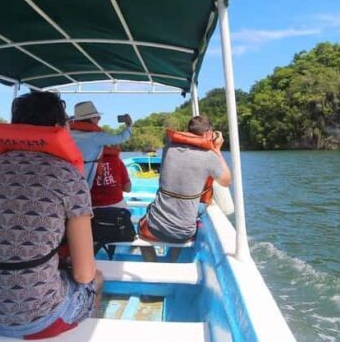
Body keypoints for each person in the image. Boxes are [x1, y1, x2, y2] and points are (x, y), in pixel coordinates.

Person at [0, 91, 106, 342]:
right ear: (61, 127)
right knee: (96, 281)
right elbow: (84, 274)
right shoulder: (68, 176)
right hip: (35, 320)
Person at [139, 116, 231, 262]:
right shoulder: (210, 157)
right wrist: (217, 149)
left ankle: (153, 263)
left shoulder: (168, 148)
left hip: (154, 229)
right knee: (192, 216)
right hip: (184, 233)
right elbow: (226, 181)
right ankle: (171, 262)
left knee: (141, 233)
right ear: (208, 134)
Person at [68, 101, 132, 186]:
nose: (99, 120)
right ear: (91, 119)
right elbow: (121, 138)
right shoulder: (96, 137)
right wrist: (129, 125)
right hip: (83, 181)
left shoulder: (67, 133)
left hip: (67, 175)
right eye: (97, 117)